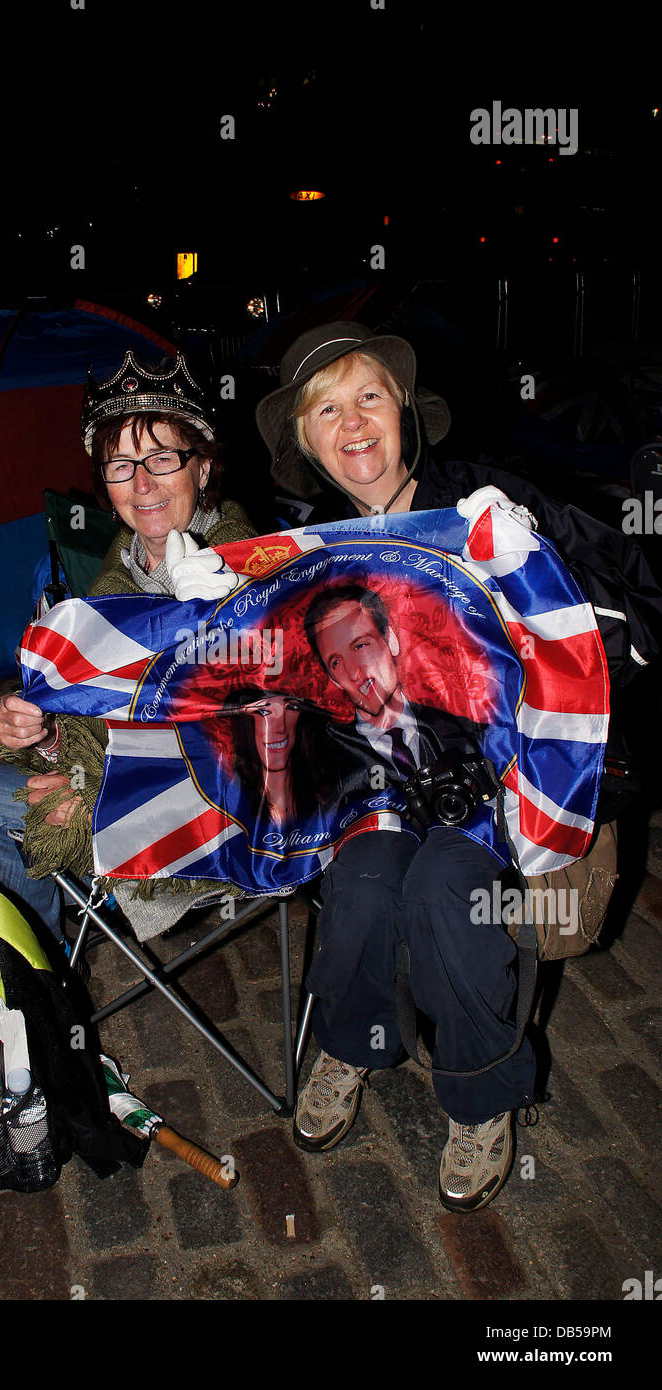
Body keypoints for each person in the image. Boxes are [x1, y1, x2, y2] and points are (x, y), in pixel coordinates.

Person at [245, 321, 662, 1211]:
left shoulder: (487, 501)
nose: (352, 423)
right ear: (307, 444)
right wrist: (215, 620)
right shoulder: (311, 552)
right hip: (389, 787)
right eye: (327, 409)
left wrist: (541, 564)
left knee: (444, 891)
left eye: (369, 398)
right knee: (358, 884)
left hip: (509, 787)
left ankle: (479, 1096)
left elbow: (638, 622)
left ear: (403, 414)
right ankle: (353, 1044)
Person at [0, 351, 255, 942]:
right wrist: (50, 736)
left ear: (203, 468)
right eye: (120, 465)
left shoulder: (250, 572)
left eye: (162, 458)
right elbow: (107, 701)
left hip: (219, 811)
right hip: (137, 771)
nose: (142, 484)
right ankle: (30, 952)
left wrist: (95, 797)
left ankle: (5, 976)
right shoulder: (125, 566)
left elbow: (247, 745)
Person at [302, 581, 487, 805]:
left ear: (391, 640)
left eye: (360, 646)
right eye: (336, 662)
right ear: (333, 679)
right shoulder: (327, 770)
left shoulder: (466, 730)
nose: (354, 672)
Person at [225, 687, 327, 827]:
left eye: (291, 707)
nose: (281, 727)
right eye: (263, 711)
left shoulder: (327, 803)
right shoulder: (228, 808)